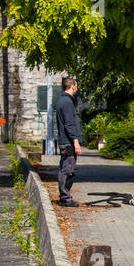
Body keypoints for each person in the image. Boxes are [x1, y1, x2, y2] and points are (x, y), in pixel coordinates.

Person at [55, 76, 83, 207]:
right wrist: (75, 141)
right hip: (68, 141)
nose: (76, 88)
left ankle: (64, 196)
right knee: (67, 169)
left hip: (66, 140)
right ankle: (65, 198)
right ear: (72, 86)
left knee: (67, 168)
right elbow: (69, 124)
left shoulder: (64, 101)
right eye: (76, 85)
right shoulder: (66, 102)